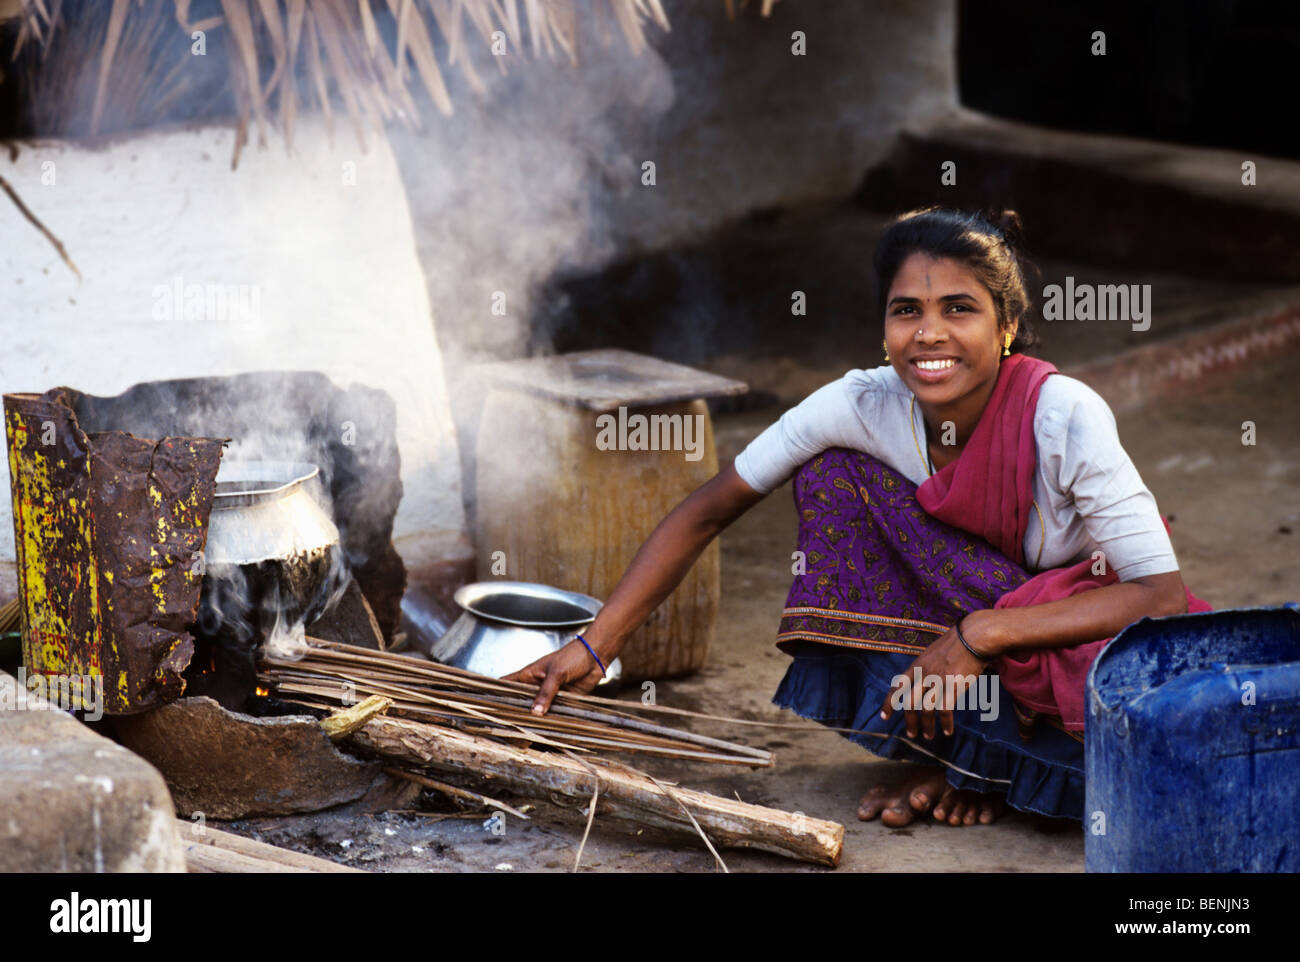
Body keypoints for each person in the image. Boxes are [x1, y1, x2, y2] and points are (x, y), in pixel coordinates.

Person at [505, 207, 1210, 828]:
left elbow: (1158, 596)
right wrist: (593, 647)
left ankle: (983, 770)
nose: (929, 335)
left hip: (1079, 635)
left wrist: (981, 633)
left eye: (959, 309)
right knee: (835, 479)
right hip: (974, 636)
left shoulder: (1065, 414)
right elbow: (706, 510)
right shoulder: (859, 404)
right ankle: (974, 757)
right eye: (907, 311)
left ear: (1008, 327)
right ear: (883, 328)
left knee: (1160, 776)